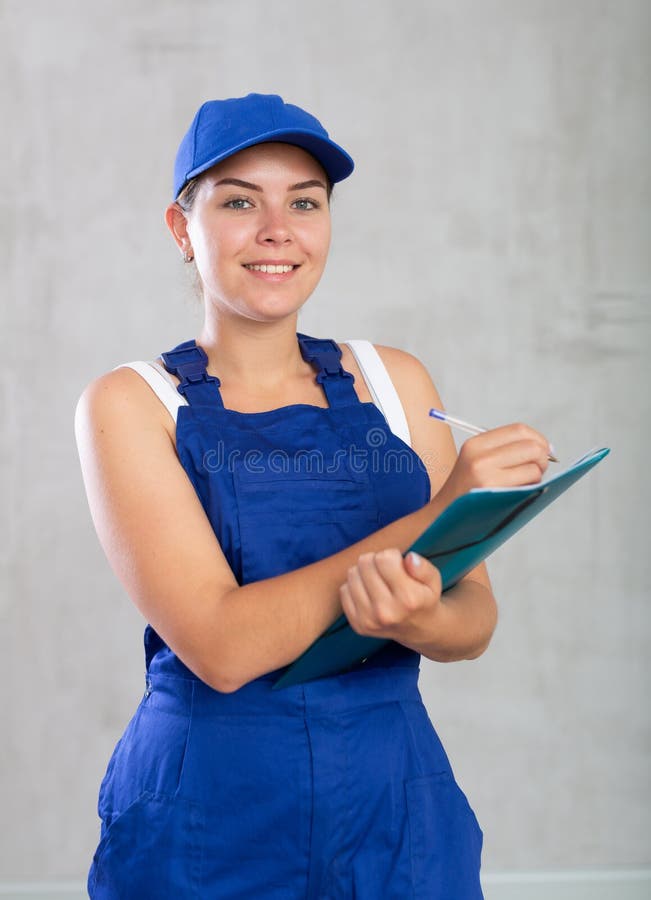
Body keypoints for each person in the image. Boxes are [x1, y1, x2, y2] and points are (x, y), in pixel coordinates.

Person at [74, 93, 552, 899]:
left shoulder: (397, 383)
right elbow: (221, 648)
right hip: (210, 816)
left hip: (394, 804)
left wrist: (418, 616)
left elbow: (473, 623)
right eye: (237, 202)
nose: (277, 230)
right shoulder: (129, 404)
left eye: (304, 201)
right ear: (180, 228)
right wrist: (441, 511)